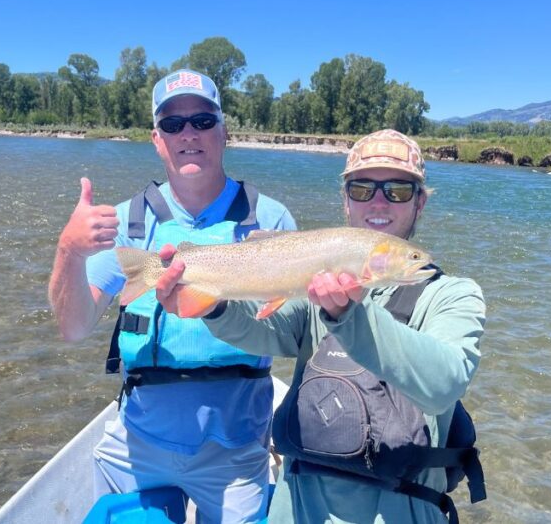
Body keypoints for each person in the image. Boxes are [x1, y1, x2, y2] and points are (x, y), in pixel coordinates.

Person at [152, 129, 488, 524]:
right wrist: (212, 306)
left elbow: (443, 383)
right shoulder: (318, 279)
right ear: (346, 202)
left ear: (420, 203)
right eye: (362, 189)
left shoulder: (452, 296)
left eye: (397, 190)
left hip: (400, 506)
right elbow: (263, 331)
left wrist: (350, 316)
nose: (378, 201)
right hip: (298, 505)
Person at [47, 68, 298, 523]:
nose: (188, 133)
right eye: (172, 123)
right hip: (139, 444)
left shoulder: (270, 220)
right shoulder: (126, 222)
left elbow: (292, 331)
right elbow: (73, 328)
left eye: (203, 121)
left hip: (237, 449)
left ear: (224, 133)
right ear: (156, 139)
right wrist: (69, 251)